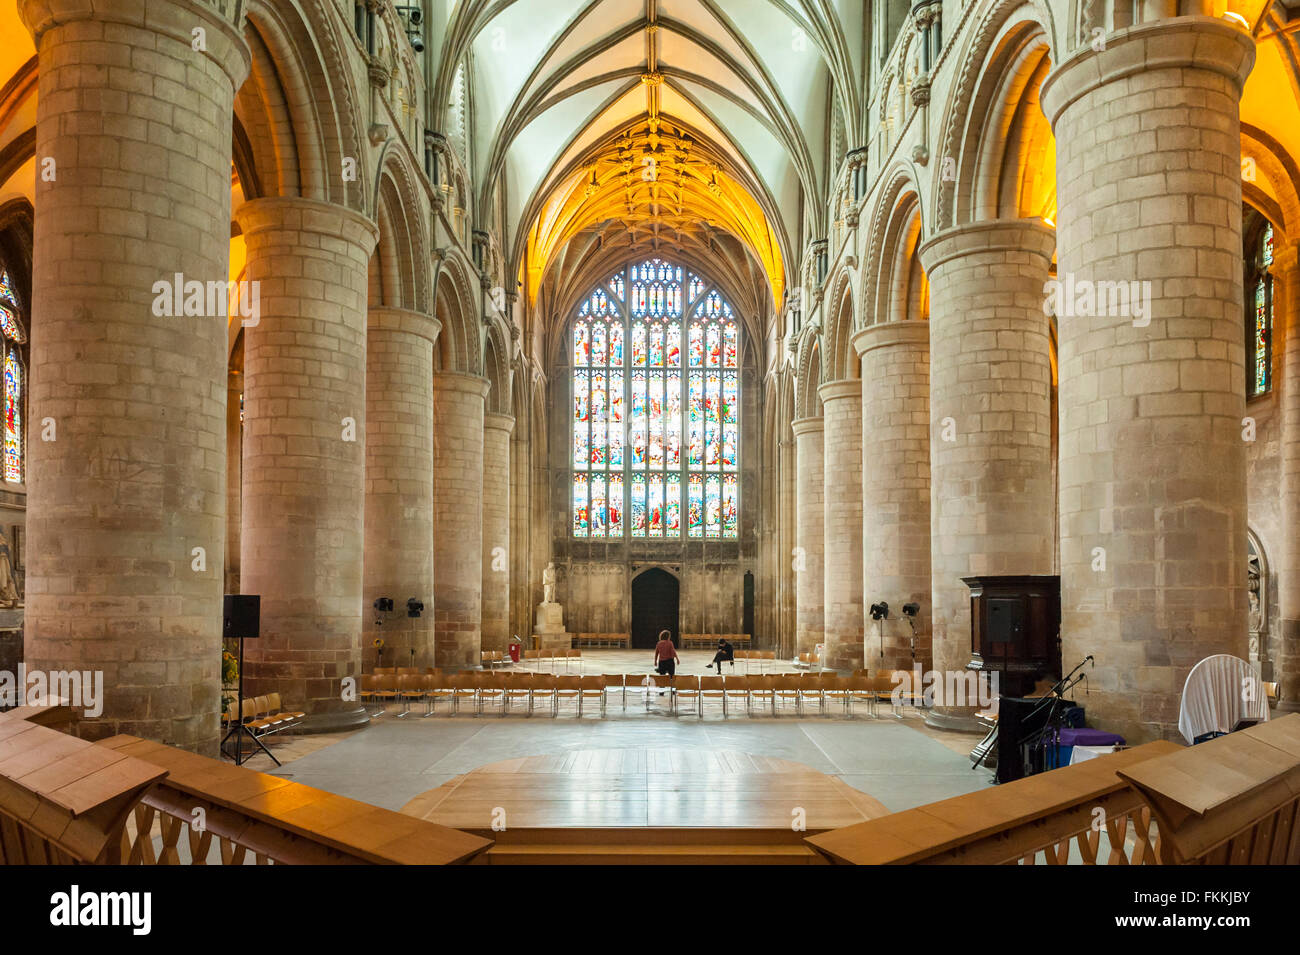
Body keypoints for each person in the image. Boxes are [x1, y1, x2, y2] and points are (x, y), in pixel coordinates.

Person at [653, 629, 678, 696]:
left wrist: (655, 661)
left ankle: (661, 691)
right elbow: (673, 651)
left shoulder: (659, 643)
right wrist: (677, 658)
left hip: (662, 662)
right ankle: (673, 691)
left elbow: (656, 653)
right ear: (668, 636)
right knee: (672, 677)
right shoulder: (670, 643)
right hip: (669, 662)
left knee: (662, 677)